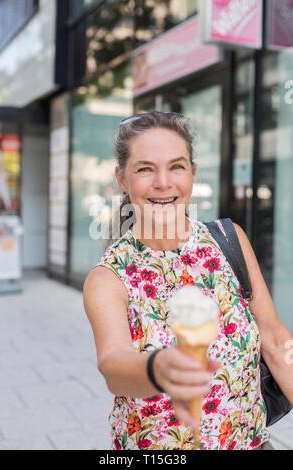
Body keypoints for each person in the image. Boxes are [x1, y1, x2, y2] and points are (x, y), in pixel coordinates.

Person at [83, 111, 293, 450]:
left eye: (176, 166)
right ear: (122, 179)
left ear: (192, 173)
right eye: (145, 169)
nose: (163, 182)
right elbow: (113, 366)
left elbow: (274, 337)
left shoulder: (229, 240)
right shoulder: (109, 277)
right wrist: (159, 367)